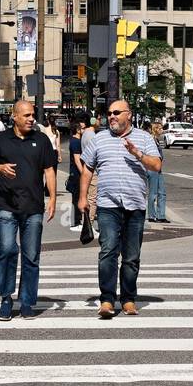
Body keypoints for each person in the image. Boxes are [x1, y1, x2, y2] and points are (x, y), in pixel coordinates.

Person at [77, 100, 162, 320]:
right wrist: (82, 198)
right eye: (109, 113)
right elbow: (87, 170)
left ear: (129, 115)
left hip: (135, 206)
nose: (112, 116)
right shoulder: (99, 139)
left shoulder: (144, 138)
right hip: (108, 205)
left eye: (116, 112)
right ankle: (106, 299)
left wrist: (138, 154)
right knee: (108, 252)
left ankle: (128, 299)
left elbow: (157, 166)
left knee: (132, 256)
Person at [0, 100, 58, 321]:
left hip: (33, 207)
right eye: (26, 115)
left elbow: (50, 171)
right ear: (14, 116)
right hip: (6, 205)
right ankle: (6, 297)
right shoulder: (0, 139)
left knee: (31, 256)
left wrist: (53, 198)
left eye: (32, 115)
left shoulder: (41, 140)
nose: (31, 118)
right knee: (7, 249)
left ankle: (26, 301)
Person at [79, 112, 101, 230]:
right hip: (93, 172)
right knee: (92, 199)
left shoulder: (86, 134)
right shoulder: (92, 135)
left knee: (90, 198)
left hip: (88, 170)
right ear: (93, 121)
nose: (100, 121)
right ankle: (89, 225)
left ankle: (86, 223)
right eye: (98, 119)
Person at [147, 122, 169, 223]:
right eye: (160, 129)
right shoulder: (151, 140)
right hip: (152, 169)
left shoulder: (156, 140)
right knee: (153, 193)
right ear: (155, 129)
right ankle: (152, 215)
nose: (162, 130)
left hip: (158, 169)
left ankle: (161, 215)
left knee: (162, 193)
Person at [67, 119, 85, 231]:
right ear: (77, 130)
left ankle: (77, 221)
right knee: (77, 197)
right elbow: (77, 160)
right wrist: (84, 173)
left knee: (77, 197)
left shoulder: (76, 141)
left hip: (75, 173)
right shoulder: (75, 142)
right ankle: (77, 222)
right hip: (76, 174)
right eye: (82, 128)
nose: (84, 130)